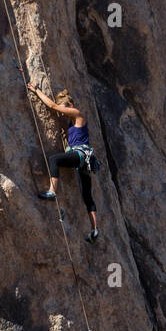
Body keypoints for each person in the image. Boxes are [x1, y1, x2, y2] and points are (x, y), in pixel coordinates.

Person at [25, 84, 100, 244]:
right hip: (83, 160)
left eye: (64, 109)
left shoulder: (78, 114)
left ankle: (52, 191)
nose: (63, 113)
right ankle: (94, 231)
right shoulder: (72, 124)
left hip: (81, 155)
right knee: (87, 195)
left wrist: (36, 90)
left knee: (54, 160)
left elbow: (52, 106)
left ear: (70, 106)